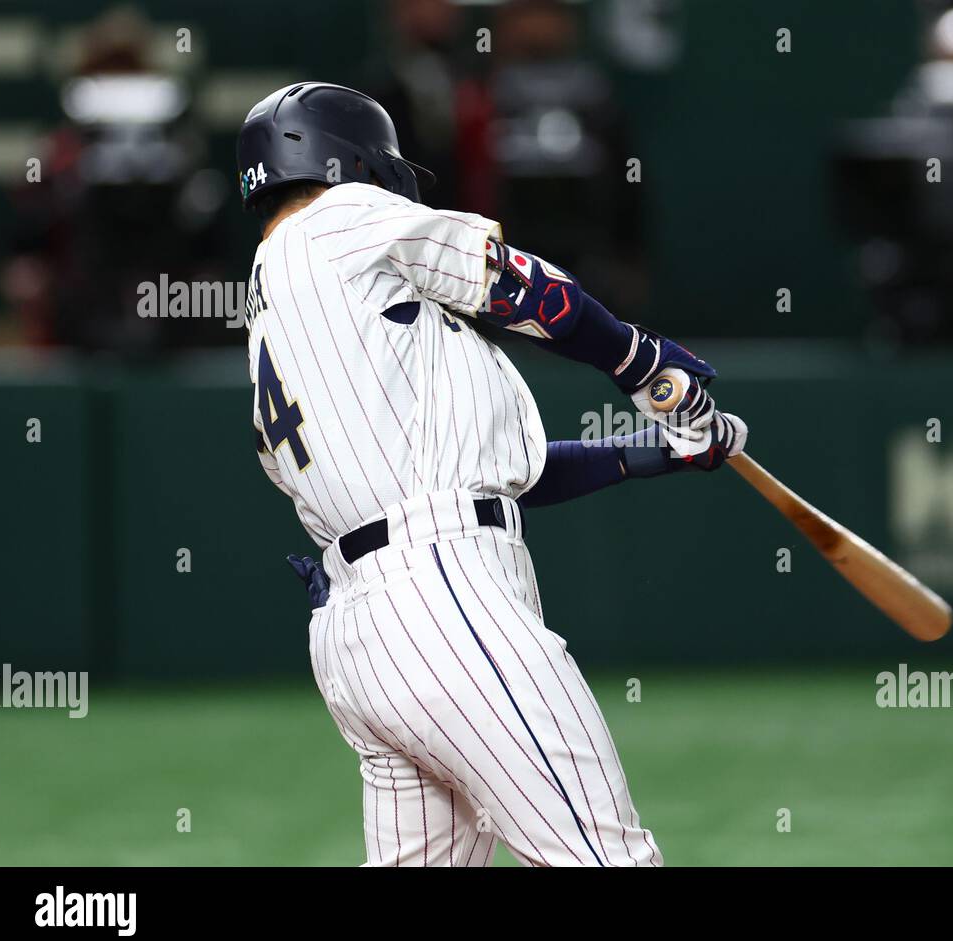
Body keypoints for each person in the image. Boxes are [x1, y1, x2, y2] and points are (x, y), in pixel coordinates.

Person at [236, 82, 746, 866]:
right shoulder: (341, 218)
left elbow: (499, 478)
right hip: (441, 601)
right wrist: (642, 362)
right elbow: (520, 285)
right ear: (356, 162)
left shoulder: (291, 306)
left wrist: (658, 450)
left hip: (364, 637)